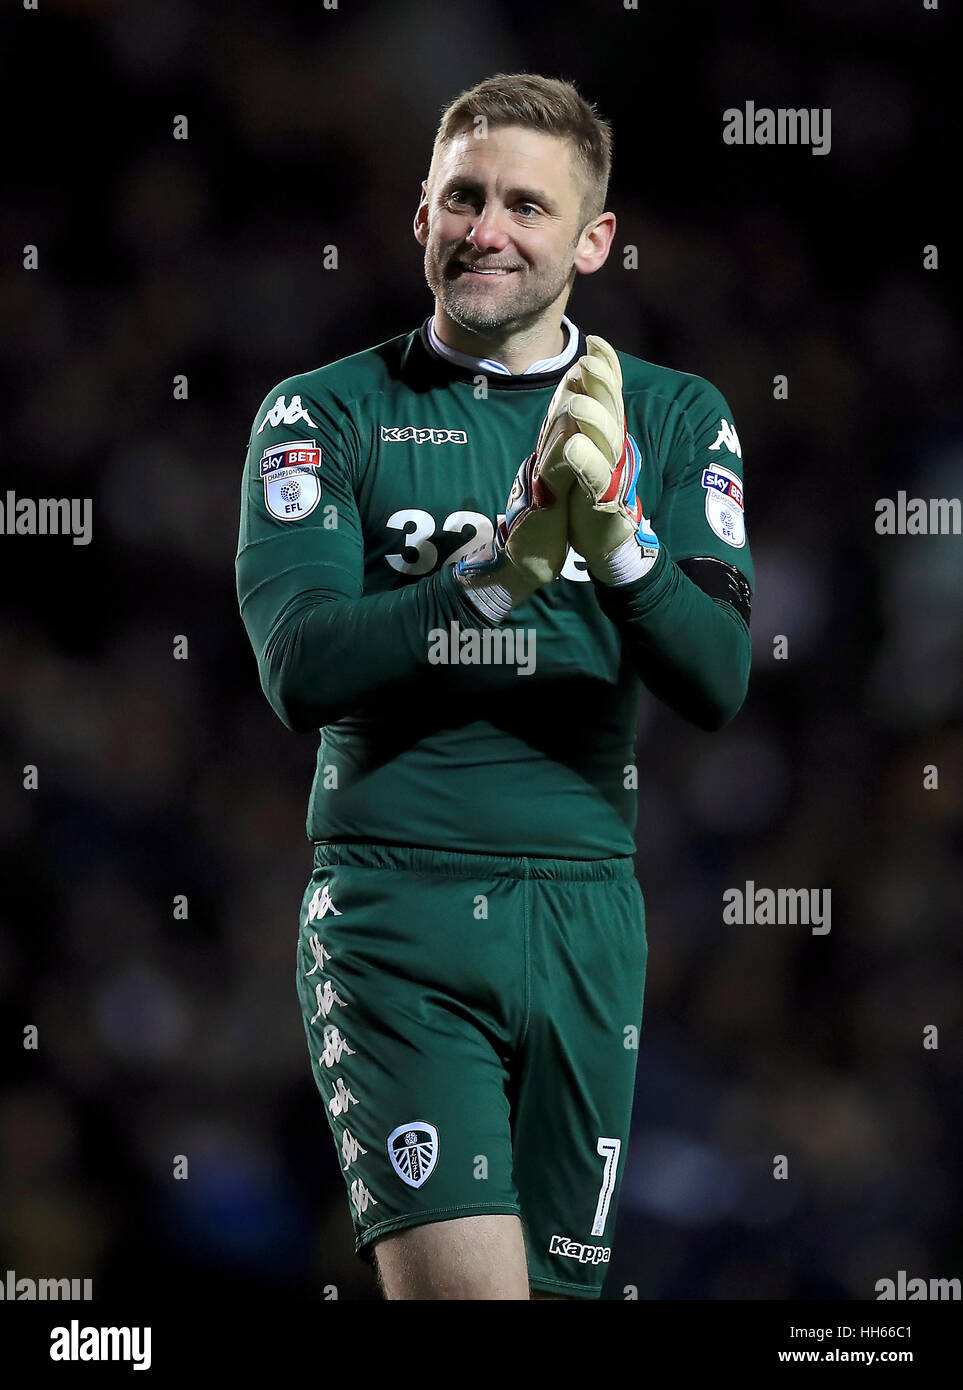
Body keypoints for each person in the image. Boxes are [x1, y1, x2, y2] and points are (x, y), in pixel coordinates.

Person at [235, 72, 753, 1301]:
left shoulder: (677, 419)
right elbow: (300, 667)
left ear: (593, 240)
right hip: (396, 906)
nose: (490, 229)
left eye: (528, 205)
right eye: (464, 197)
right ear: (420, 213)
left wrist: (617, 541)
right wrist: (495, 571)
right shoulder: (323, 412)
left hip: (587, 916)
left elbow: (719, 676)